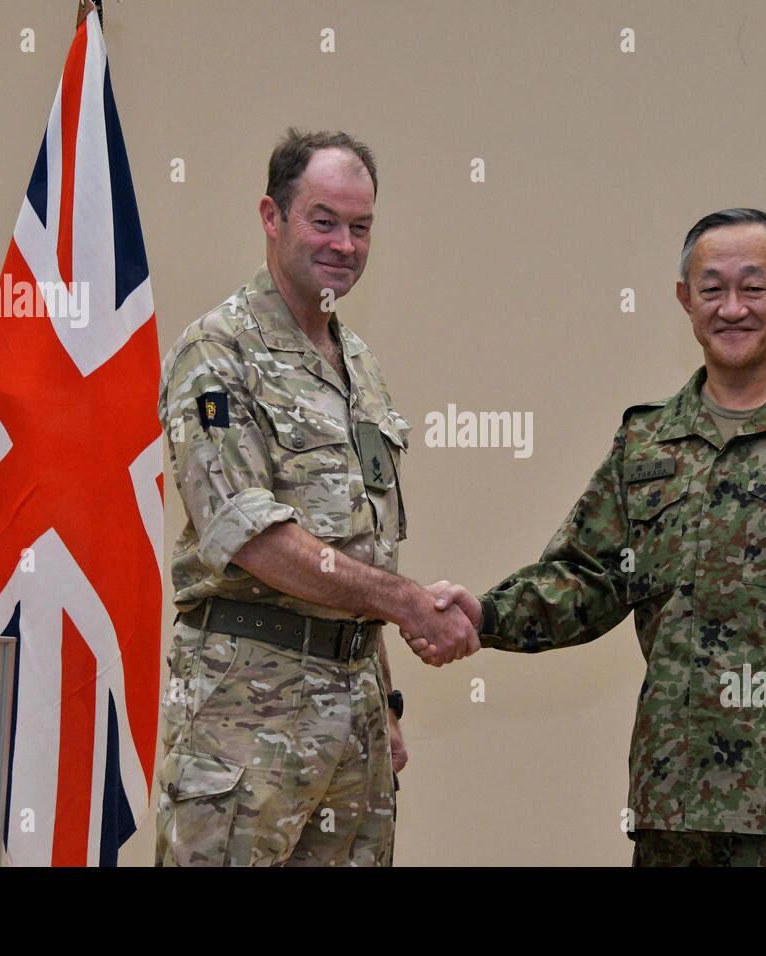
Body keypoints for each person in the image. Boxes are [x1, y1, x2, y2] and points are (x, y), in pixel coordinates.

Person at [420, 209, 766, 866]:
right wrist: (485, 614)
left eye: (754, 287)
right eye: (712, 288)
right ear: (684, 300)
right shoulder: (648, 441)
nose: (732, 307)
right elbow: (589, 578)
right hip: (675, 808)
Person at [155, 129, 478, 867]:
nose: (344, 243)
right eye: (323, 220)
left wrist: (385, 701)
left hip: (353, 715)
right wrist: (403, 601)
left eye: (360, 227)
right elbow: (250, 534)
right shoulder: (217, 353)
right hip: (245, 714)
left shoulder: (358, 365)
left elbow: (362, 543)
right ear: (273, 217)